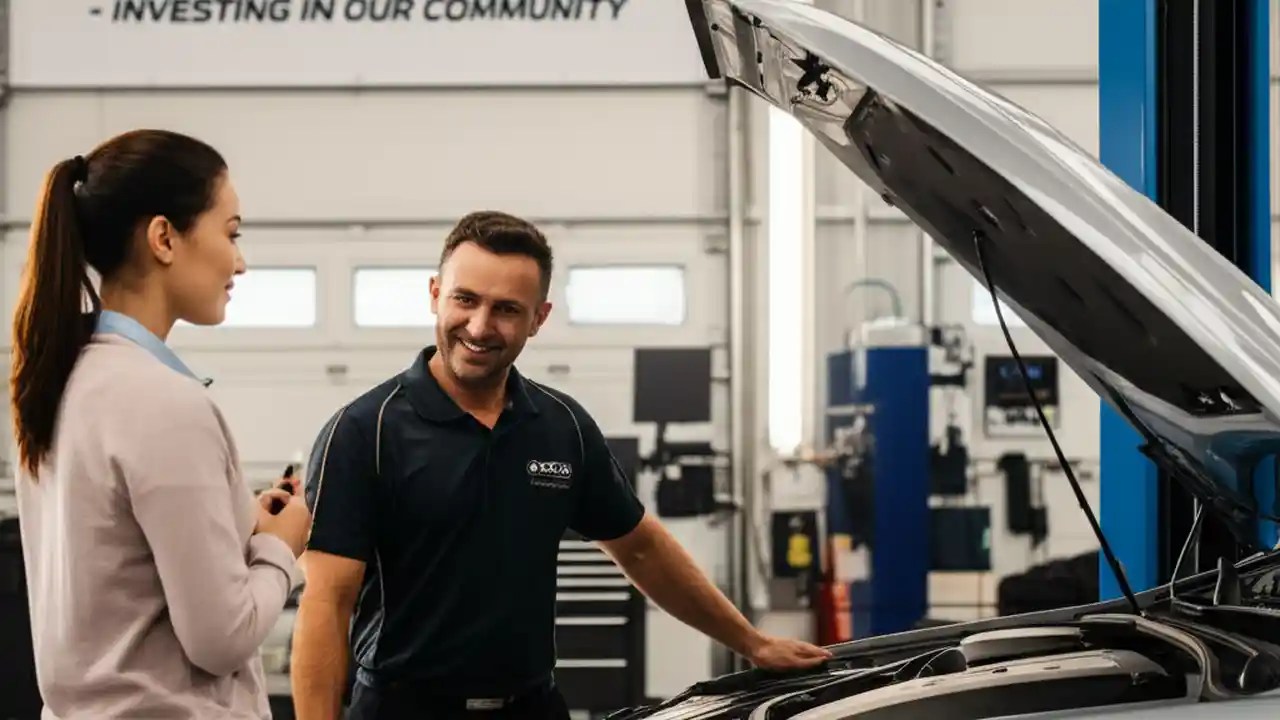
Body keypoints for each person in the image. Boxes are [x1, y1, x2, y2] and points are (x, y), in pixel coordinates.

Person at [290, 210, 832, 719]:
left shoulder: (561, 426)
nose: (479, 327)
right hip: (401, 709)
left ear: (539, 318)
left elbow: (640, 547)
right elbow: (327, 602)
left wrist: (752, 642)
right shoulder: (365, 430)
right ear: (435, 295)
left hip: (532, 705)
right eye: (465, 300)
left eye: (506, 309)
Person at [9, 129, 313, 719]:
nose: (240, 262)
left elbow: (119, 563)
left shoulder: (61, 379)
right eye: (232, 234)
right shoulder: (163, 403)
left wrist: (233, 523)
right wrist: (280, 551)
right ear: (164, 238)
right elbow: (221, 639)